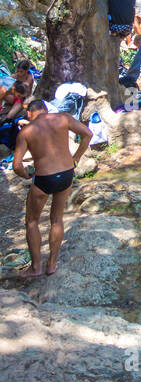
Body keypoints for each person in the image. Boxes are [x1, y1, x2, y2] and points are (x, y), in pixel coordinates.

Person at [12, 97, 92, 277]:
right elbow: (88, 134)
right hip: (66, 174)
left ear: (29, 113)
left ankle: (36, 267)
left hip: (44, 178)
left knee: (32, 221)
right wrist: (76, 158)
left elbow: (16, 165)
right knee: (57, 219)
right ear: (46, 110)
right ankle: (52, 265)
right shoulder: (63, 118)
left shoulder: (26, 131)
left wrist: (25, 174)